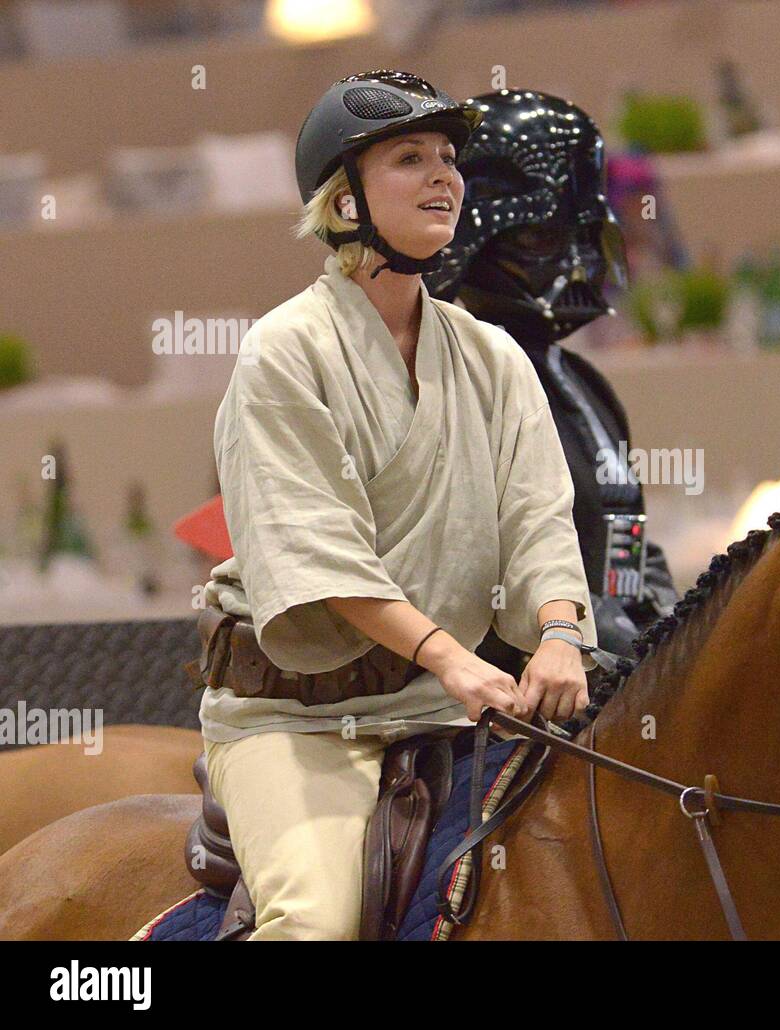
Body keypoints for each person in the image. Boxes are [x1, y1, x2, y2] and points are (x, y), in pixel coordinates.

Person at [196, 70, 596, 940]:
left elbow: (538, 518)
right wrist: (456, 661)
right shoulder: (283, 353)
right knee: (313, 923)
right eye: (411, 158)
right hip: (299, 720)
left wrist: (560, 633)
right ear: (344, 203)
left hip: (446, 705)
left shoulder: (494, 359)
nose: (445, 176)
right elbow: (320, 553)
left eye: (450, 157)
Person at [427, 89, 678, 669]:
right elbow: (459, 578)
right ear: (470, 243)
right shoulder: (446, 387)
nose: (575, 265)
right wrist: (584, 631)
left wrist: (661, 610)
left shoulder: (585, 386)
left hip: (610, 683)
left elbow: (624, 530)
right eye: (542, 239)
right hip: (505, 691)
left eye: (582, 239)